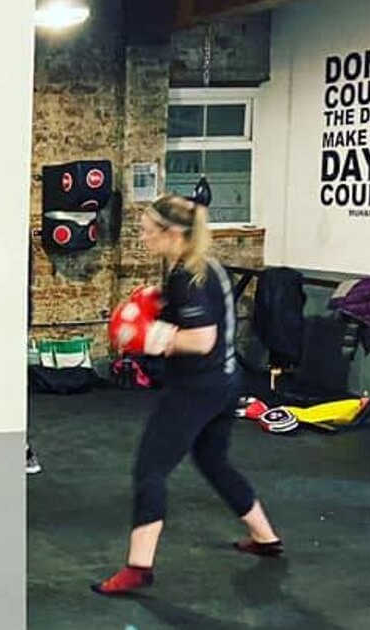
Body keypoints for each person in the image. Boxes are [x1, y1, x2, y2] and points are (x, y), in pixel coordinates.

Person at [91, 195, 282, 596]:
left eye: (148, 231)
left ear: (172, 233)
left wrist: (150, 336)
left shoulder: (187, 277)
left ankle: (138, 567)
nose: (143, 237)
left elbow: (200, 339)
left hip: (196, 389)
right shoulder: (207, 266)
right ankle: (265, 537)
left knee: (150, 470)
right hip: (226, 382)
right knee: (213, 461)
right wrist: (161, 307)